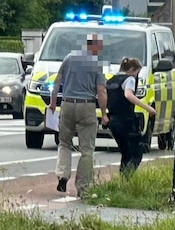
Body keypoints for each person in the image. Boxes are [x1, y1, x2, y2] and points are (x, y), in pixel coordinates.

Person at [49, 33, 109, 197]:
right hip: (86, 106)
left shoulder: (68, 58)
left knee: (64, 142)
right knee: (86, 150)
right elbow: (101, 91)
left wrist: (53, 103)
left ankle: (62, 175)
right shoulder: (97, 64)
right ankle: (83, 188)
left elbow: (57, 82)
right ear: (95, 46)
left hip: (67, 104)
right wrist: (104, 114)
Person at [106, 57, 156, 176]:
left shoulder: (112, 80)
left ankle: (124, 180)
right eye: (137, 73)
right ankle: (127, 178)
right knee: (137, 152)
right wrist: (148, 108)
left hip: (113, 121)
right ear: (133, 69)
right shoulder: (130, 80)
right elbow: (128, 95)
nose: (137, 76)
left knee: (126, 152)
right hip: (125, 120)